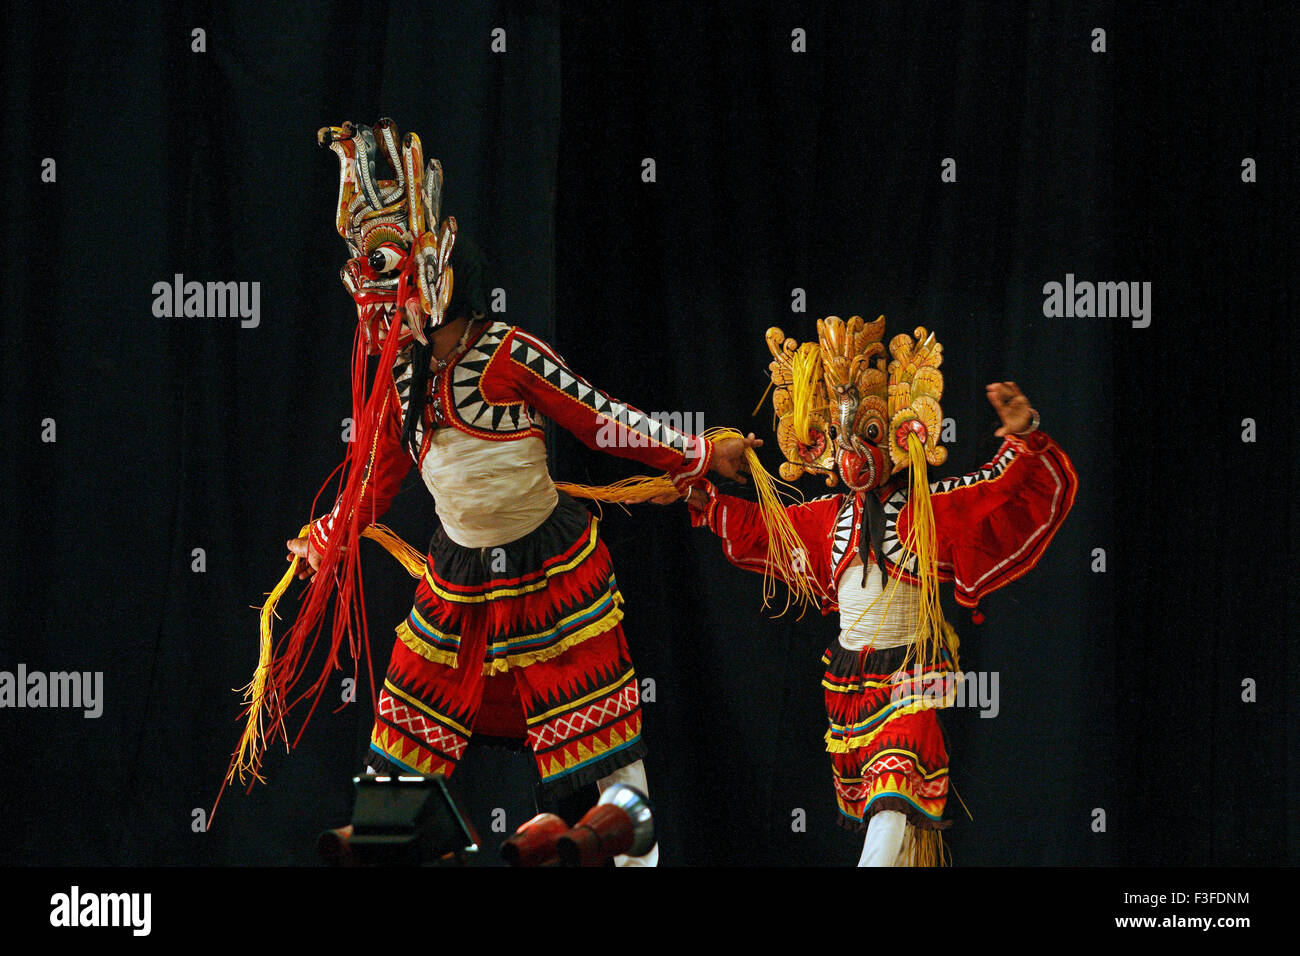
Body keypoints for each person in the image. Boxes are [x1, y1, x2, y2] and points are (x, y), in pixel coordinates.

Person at [244, 119, 754, 865]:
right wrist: (330, 533)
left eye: (395, 279)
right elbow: (375, 479)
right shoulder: (399, 380)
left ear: (440, 277)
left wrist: (699, 453)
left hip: (553, 574)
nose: (388, 308)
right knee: (407, 734)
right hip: (456, 583)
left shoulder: (509, 354)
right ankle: (403, 835)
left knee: (594, 747)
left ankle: (623, 835)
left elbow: (602, 418)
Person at [682, 315, 1078, 865]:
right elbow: (764, 529)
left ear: (899, 433)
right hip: (848, 679)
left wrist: (1025, 432)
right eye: (843, 437)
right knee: (878, 806)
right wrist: (707, 497)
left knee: (894, 793)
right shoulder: (823, 517)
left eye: (865, 434)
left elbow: (999, 488)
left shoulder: (929, 508)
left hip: (911, 673)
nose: (853, 453)